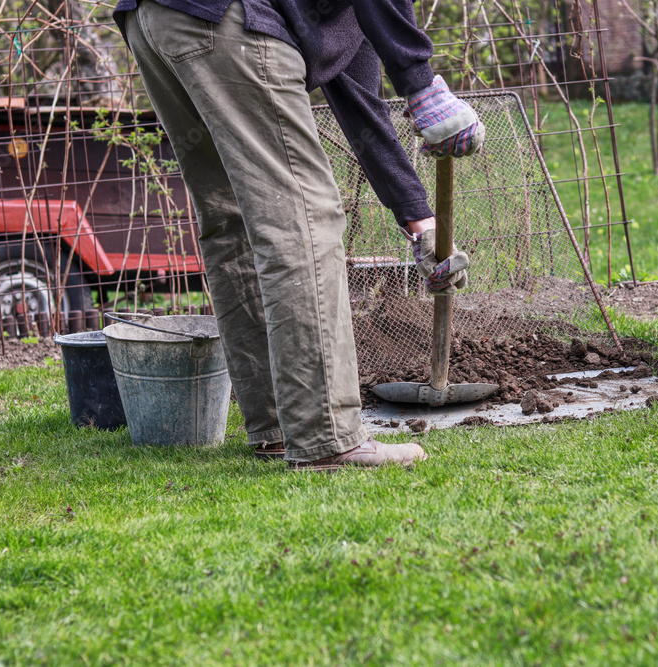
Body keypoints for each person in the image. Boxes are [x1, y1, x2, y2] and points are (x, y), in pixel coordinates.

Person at [112, 0, 484, 470]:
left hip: (158, 20)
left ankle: (276, 428)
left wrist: (421, 227)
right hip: (227, 18)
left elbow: (363, 111)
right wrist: (420, 84)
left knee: (235, 222)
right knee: (304, 217)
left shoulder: (344, 18)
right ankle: (326, 437)